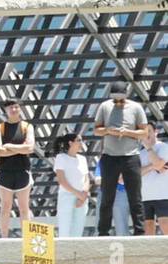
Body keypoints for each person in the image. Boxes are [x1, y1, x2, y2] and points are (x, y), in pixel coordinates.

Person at [93, 80, 151, 235]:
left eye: (120, 98)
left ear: (126, 94)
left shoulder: (136, 108)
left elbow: (144, 132)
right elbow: (96, 130)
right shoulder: (105, 106)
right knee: (107, 196)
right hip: (109, 156)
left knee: (135, 197)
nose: (118, 101)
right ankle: (103, 231)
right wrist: (108, 130)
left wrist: (126, 132)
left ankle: (139, 231)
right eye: (115, 98)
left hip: (130, 156)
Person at [0, 97, 35, 238]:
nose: (14, 110)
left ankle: (27, 238)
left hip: (22, 171)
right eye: (11, 107)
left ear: (20, 109)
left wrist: (9, 147)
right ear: (6, 110)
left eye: (16, 107)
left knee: (24, 208)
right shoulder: (0, 128)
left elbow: (30, 148)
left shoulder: (27, 127)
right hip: (5, 172)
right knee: (5, 207)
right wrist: (20, 148)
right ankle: (4, 237)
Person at [52, 132, 91, 238]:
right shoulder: (61, 158)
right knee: (65, 230)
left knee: (78, 230)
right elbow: (62, 180)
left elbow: (86, 179)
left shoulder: (82, 159)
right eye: (79, 140)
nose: (81, 143)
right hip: (67, 197)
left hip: (82, 198)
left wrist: (83, 195)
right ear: (70, 143)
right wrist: (78, 194)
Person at [139, 124, 168, 236]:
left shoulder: (164, 147)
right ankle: (150, 254)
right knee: (148, 229)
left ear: (156, 131)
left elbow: (159, 164)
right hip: (144, 196)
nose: (147, 135)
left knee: (165, 225)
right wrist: (152, 166)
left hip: (163, 195)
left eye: (149, 131)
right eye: (144, 132)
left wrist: (149, 148)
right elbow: (137, 173)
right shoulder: (140, 153)